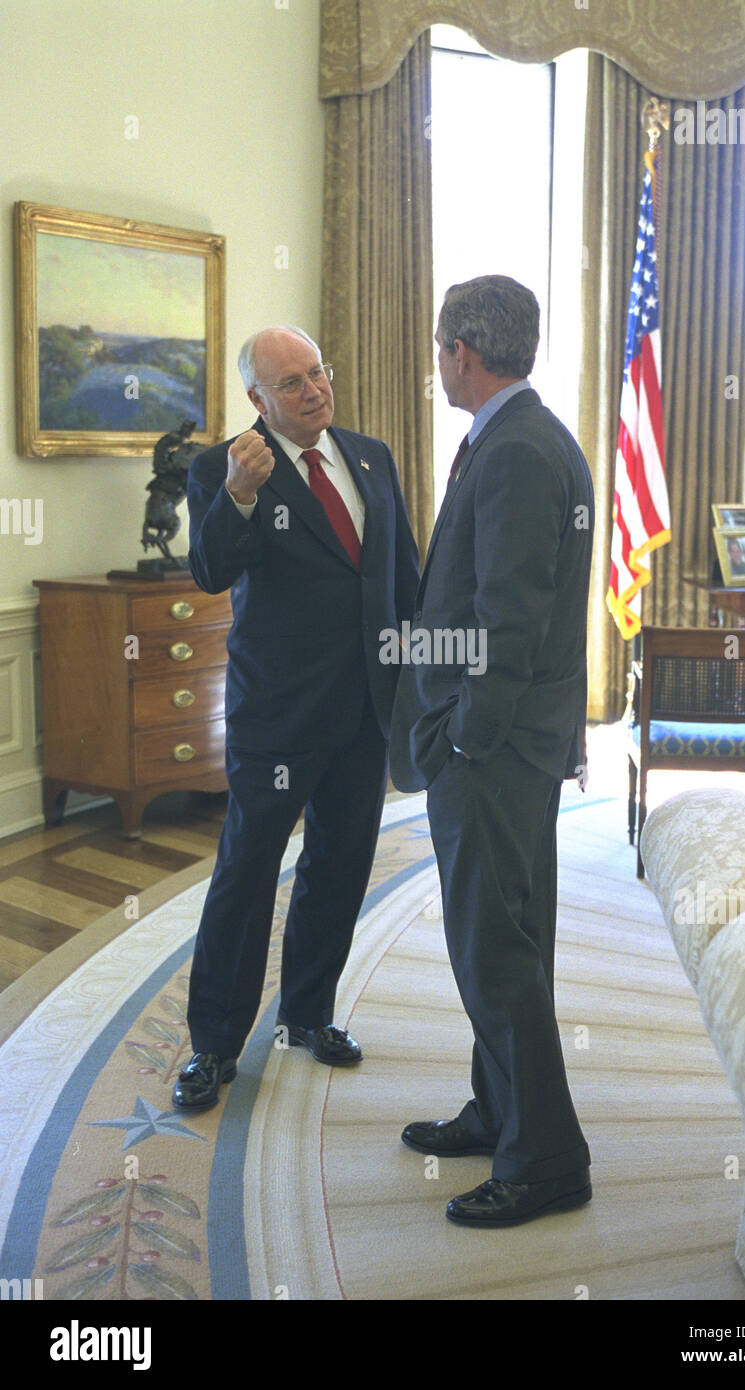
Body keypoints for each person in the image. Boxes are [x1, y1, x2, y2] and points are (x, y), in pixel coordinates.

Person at [389, 275, 595, 1227]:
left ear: (463, 352)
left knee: (493, 945)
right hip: (516, 737)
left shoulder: (514, 449)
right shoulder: (525, 436)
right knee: (507, 931)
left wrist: (463, 736)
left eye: (439, 348)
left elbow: (510, 620)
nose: (437, 363)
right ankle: (500, 1108)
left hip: (496, 747)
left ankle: (546, 1158)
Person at [173, 326, 419, 1111]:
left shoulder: (371, 456)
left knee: (340, 866)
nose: (314, 390)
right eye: (292, 383)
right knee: (247, 875)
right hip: (277, 715)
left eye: (318, 372)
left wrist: (419, 682)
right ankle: (213, 1047)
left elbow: (400, 578)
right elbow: (211, 571)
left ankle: (308, 1012)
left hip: (364, 714)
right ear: (257, 400)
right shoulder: (223, 467)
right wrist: (240, 497)